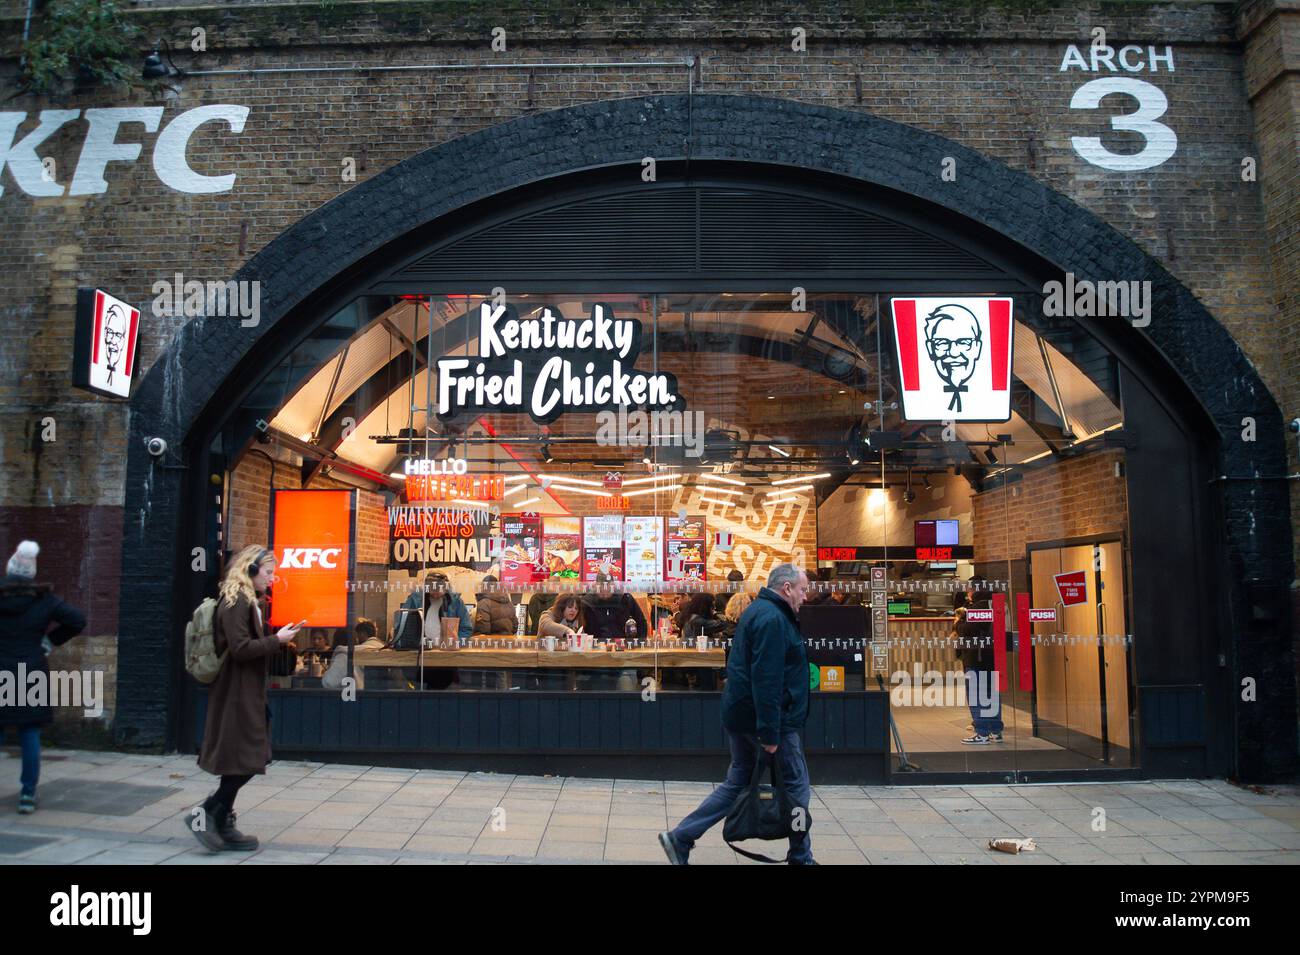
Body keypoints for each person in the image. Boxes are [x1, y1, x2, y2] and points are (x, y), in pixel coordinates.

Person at [660, 563, 816, 865]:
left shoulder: (761, 611)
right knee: (797, 787)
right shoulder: (773, 619)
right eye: (802, 589)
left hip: (742, 715)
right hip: (770, 722)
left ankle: (680, 837)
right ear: (787, 588)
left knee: (739, 782)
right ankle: (801, 855)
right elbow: (767, 680)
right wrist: (770, 733)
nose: (805, 596)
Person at [195, 545, 301, 851]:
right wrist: (276, 640)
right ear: (251, 570)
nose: (272, 578)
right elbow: (241, 649)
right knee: (249, 756)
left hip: (247, 689)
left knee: (247, 756)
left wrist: (275, 639)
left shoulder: (249, 600)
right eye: (268, 572)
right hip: (236, 691)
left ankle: (220, 818)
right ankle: (210, 814)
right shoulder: (235, 601)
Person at [0, 541, 87, 814]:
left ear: (10, 568)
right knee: (30, 732)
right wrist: (49, 640)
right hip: (30, 672)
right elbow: (77, 620)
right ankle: (27, 794)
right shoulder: (44, 600)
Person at [957, 579, 1003, 744]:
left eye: (968, 590)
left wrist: (959, 621)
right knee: (992, 694)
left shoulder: (978, 607)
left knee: (977, 695)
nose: (967, 593)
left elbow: (967, 630)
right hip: (993, 656)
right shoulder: (996, 603)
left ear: (973, 590)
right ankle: (996, 731)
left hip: (977, 657)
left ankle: (982, 732)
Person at [396, 571, 473, 648]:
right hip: (420, 650)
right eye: (432, 589)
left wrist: (455, 643)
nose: (435, 594)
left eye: (438, 589)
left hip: (446, 652)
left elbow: (466, 629)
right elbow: (401, 625)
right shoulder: (416, 599)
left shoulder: (455, 602)